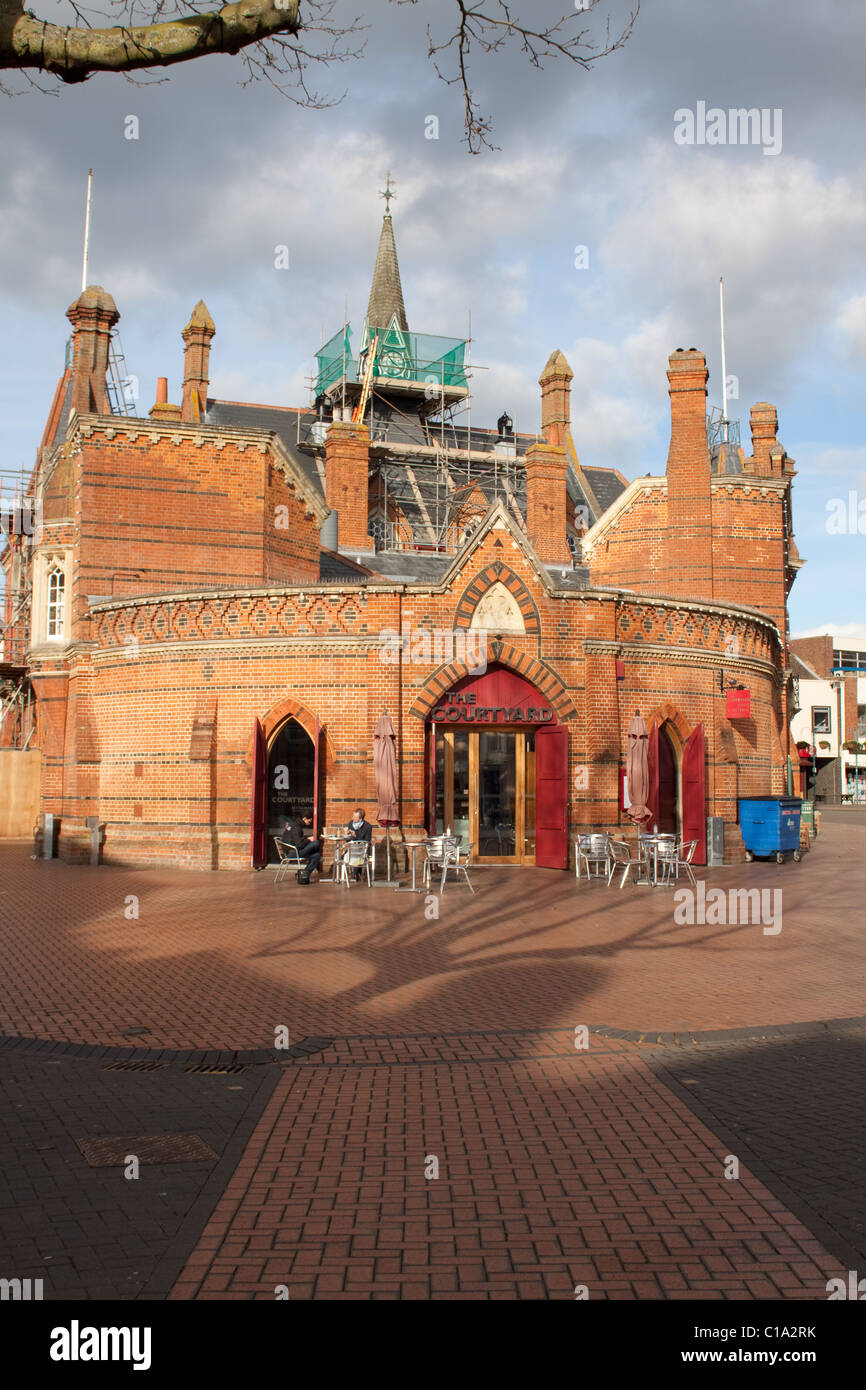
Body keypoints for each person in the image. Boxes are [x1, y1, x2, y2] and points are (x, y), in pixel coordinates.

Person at [281, 813, 322, 884]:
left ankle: (303, 875)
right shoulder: (296, 828)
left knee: (317, 855)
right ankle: (304, 874)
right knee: (316, 843)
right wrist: (308, 839)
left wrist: (307, 840)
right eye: (309, 821)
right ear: (304, 819)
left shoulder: (294, 824)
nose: (310, 823)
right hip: (293, 853)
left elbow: (298, 842)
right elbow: (299, 845)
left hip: (291, 851)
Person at [343, 807, 372, 882]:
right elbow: (348, 840)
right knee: (345, 856)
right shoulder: (350, 824)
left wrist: (355, 835)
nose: (353, 818)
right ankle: (356, 873)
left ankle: (355, 874)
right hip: (352, 848)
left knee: (359, 854)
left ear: (360, 818)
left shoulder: (367, 826)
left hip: (363, 849)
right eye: (353, 816)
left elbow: (367, 841)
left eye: (355, 817)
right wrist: (348, 835)